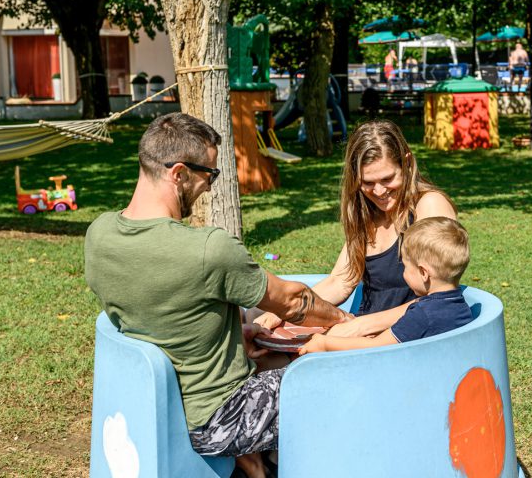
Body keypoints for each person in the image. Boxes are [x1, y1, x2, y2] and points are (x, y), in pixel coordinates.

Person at [85, 113, 349, 478]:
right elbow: (291, 302)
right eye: (209, 174)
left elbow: (161, 314)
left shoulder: (99, 234)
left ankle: (261, 467)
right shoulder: (208, 249)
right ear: (179, 173)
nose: (209, 187)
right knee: (348, 375)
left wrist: (232, 340)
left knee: (277, 358)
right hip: (222, 418)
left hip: (158, 404)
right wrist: (345, 320)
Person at [251, 120, 456, 337]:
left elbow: (437, 299)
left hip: (403, 338)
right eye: (368, 182)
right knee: (257, 325)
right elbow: (340, 281)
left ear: (407, 163)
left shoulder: (430, 206)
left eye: (387, 179)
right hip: (363, 333)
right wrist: (285, 310)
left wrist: (358, 327)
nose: (379, 191)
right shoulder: (368, 215)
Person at [298, 217, 473, 354]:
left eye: (405, 267)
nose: (403, 273)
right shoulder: (459, 306)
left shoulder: (422, 314)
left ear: (423, 273)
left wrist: (324, 343)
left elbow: (376, 347)